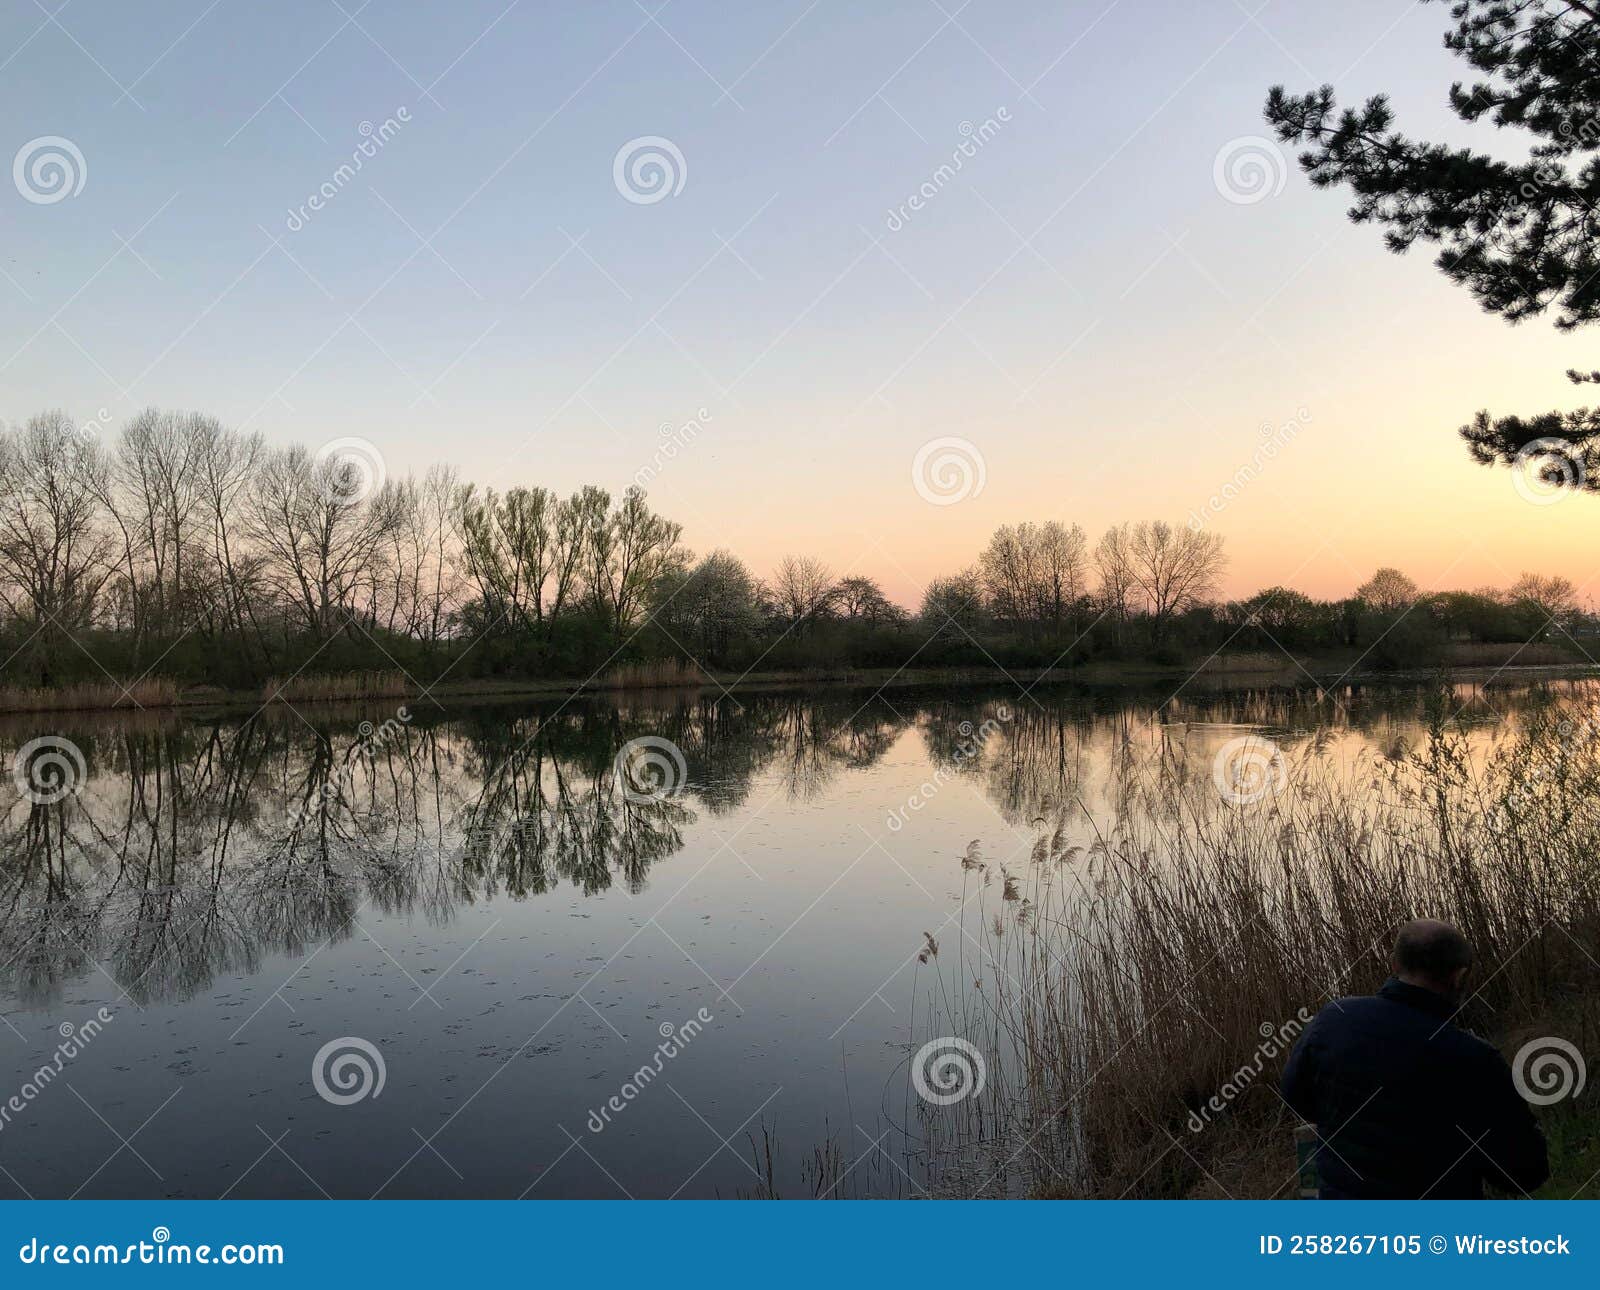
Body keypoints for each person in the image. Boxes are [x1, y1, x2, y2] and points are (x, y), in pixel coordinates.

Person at [1281, 918, 1548, 1199]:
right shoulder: (1474, 1058)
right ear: (1458, 976)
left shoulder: (1334, 1018)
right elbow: (1525, 1172)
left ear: (1394, 964)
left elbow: (1295, 1095)